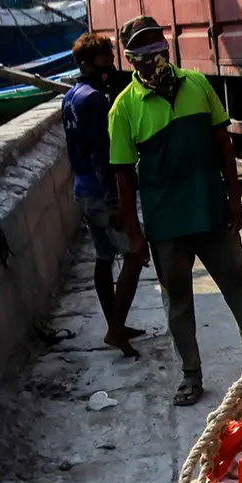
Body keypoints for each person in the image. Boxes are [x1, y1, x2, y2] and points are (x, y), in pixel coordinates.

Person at [108, 14, 242, 406]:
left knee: (241, 288)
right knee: (177, 301)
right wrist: (134, 233)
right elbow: (124, 177)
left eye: (155, 44)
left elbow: (223, 145)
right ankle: (191, 376)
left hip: (211, 212)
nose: (152, 54)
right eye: (141, 48)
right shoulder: (124, 108)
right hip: (166, 224)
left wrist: (236, 198)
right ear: (129, 57)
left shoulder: (198, 85)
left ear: (166, 45)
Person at [60, 31, 145, 356]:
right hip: (99, 192)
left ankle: (116, 324)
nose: (110, 66)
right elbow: (101, 154)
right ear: (86, 63)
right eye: (104, 60)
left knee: (103, 257)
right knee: (134, 255)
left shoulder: (72, 96)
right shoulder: (94, 100)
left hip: (82, 190)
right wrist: (115, 204)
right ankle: (116, 328)